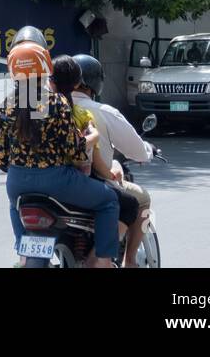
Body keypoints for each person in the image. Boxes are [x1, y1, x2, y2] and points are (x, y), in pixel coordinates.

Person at [0, 40, 119, 268]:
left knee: (15, 205)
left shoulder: (6, 105)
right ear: (44, 68)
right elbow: (75, 150)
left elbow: (0, 155)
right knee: (109, 200)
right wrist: (94, 137)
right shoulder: (55, 102)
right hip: (57, 181)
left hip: (18, 182)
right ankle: (103, 261)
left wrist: (20, 171)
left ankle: (24, 254)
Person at [54, 55, 145, 267]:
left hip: (30, 184)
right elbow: (89, 157)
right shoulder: (85, 113)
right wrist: (109, 171)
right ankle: (105, 259)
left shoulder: (39, 109)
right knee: (127, 202)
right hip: (77, 182)